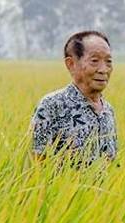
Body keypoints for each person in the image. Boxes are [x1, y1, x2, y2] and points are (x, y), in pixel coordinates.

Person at [30, 30, 118, 169]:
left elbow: (111, 163)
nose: (103, 69)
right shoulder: (52, 105)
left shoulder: (108, 110)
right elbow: (36, 164)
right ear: (71, 64)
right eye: (94, 61)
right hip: (62, 190)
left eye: (108, 61)